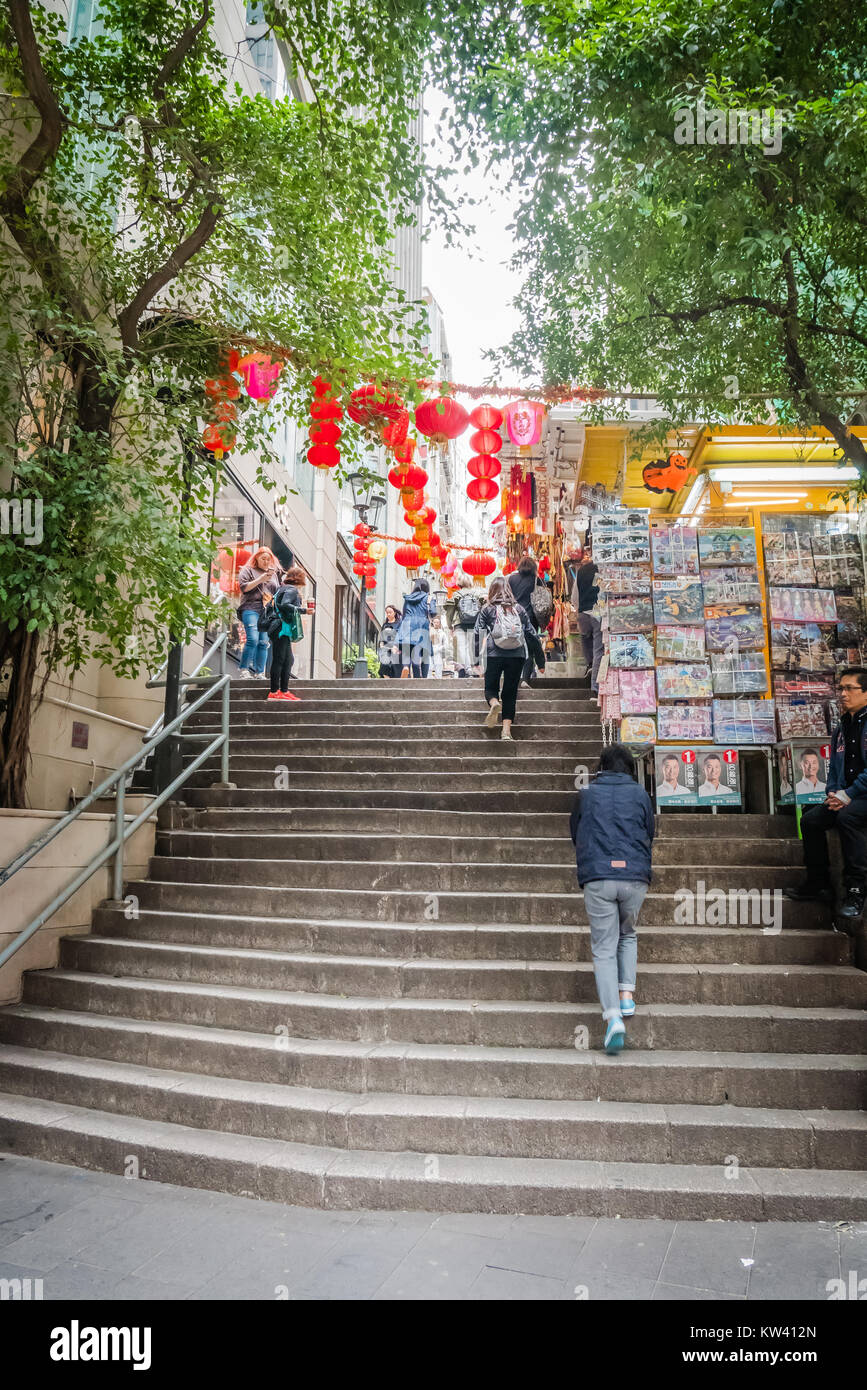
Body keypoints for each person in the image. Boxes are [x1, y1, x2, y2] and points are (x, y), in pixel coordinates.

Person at [570, 742, 655, 1054]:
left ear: (600, 767)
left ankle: (612, 1018)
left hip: (599, 877)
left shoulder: (586, 794)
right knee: (628, 933)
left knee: (604, 948)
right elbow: (650, 830)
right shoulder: (641, 795)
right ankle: (627, 996)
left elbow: (575, 833)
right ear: (629, 769)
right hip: (635, 878)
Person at [786, 667, 867, 919]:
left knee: (848, 818)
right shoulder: (843, 726)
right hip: (846, 795)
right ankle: (818, 883)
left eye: (849, 688)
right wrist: (833, 792)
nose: (843, 694)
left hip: (861, 797)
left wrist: (848, 794)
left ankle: (856, 889)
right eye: (840, 688)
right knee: (810, 819)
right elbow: (833, 768)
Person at [473, 575, 545, 740]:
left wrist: (476, 660)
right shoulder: (518, 609)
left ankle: (494, 703)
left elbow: (477, 633)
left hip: (494, 654)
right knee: (510, 693)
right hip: (517, 654)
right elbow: (532, 634)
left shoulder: (487, 608)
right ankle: (506, 731)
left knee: (490, 688)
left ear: (492, 591)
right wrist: (540, 660)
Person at [236, 547, 280, 679]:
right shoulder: (248, 570)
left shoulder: (274, 575)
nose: (266, 562)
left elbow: (276, 592)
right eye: (263, 559)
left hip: (266, 611)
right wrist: (260, 579)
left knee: (263, 642)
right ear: (256, 558)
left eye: (268, 559)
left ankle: (259, 672)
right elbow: (244, 587)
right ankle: (244, 669)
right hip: (250, 608)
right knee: (253, 639)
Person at [264, 566, 305, 701]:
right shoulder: (291, 590)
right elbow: (285, 604)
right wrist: (303, 610)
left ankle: (283, 691)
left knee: (288, 660)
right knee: (280, 659)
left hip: (279, 628)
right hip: (281, 628)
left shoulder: (282, 588)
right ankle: (275, 692)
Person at [507, 555, 545, 686]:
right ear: (534, 567)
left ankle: (514, 678)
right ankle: (525, 679)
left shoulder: (511, 579)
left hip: (512, 617)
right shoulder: (536, 580)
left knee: (514, 647)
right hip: (530, 618)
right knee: (529, 648)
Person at [569, 544, 602, 695]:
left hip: (583, 613)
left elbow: (574, 597)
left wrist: (579, 608)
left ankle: (589, 666)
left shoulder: (581, 570)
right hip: (598, 613)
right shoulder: (603, 570)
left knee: (586, 641)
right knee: (598, 651)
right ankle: (595, 688)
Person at [395, 577, 436, 678]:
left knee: (407, 648)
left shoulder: (408, 598)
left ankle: (406, 666)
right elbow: (433, 612)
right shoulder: (429, 597)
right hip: (421, 624)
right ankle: (420, 677)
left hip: (407, 623)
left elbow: (404, 614)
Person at [449, 576, 482, 676]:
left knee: (462, 647)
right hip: (474, 623)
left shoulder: (456, 594)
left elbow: (450, 612)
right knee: (472, 648)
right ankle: (473, 670)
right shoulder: (477, 594)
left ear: (459, 583)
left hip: (460, 623)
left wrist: (450, 625)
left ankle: (463, 669)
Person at [377, 604, 402, 678]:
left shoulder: (399, 623)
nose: (388, 614)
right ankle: (387, 684)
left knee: (395, 669)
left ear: (394, 613)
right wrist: (382, 647)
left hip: (396, 648)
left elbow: (401, 636)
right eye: (387, 612)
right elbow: (381, 639)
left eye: (390, 612)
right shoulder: (385, 625)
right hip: (386, 649)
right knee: (384, 666)